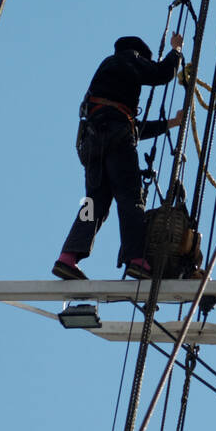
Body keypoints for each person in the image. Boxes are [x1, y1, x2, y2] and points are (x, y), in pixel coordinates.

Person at [53, 34, 184, 280]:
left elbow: (130, 127)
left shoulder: (105, 76)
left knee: (95, 203)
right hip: (116, 136)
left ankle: (68, 257)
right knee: (130, 198)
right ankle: (136, 259)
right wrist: (175, 51)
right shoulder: (131, 58)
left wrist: (171, 123)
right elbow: (161, 74)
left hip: (93, 142)